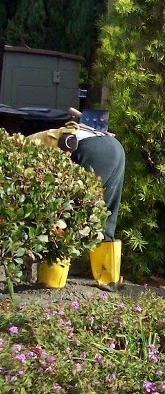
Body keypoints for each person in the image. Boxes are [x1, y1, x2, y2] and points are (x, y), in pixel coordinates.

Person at [28, 122, 125, 291]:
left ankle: (51, 280)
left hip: (90, 149)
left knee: (63, 214)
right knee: (106, 212)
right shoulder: (37, 139)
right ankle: (109, 279)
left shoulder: (21, 153)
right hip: (115, 148)